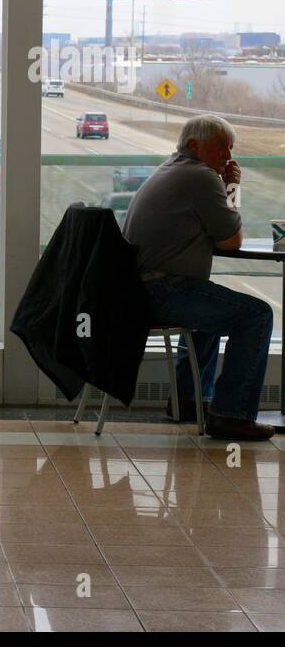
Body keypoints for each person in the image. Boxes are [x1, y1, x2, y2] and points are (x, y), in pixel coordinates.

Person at [122, 115, 274, 441]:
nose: (228, 155)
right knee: (257, 316)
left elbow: (223, 235)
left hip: (141, 289)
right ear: (195, 145)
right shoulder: (200, 177)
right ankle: (232, 415)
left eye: (230, 147)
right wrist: (231, 186)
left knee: (213, 306)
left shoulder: (172, 169)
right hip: (164, 289)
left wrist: (227, 185)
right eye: (221, 146)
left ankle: (190, 401)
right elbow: (232, 240)